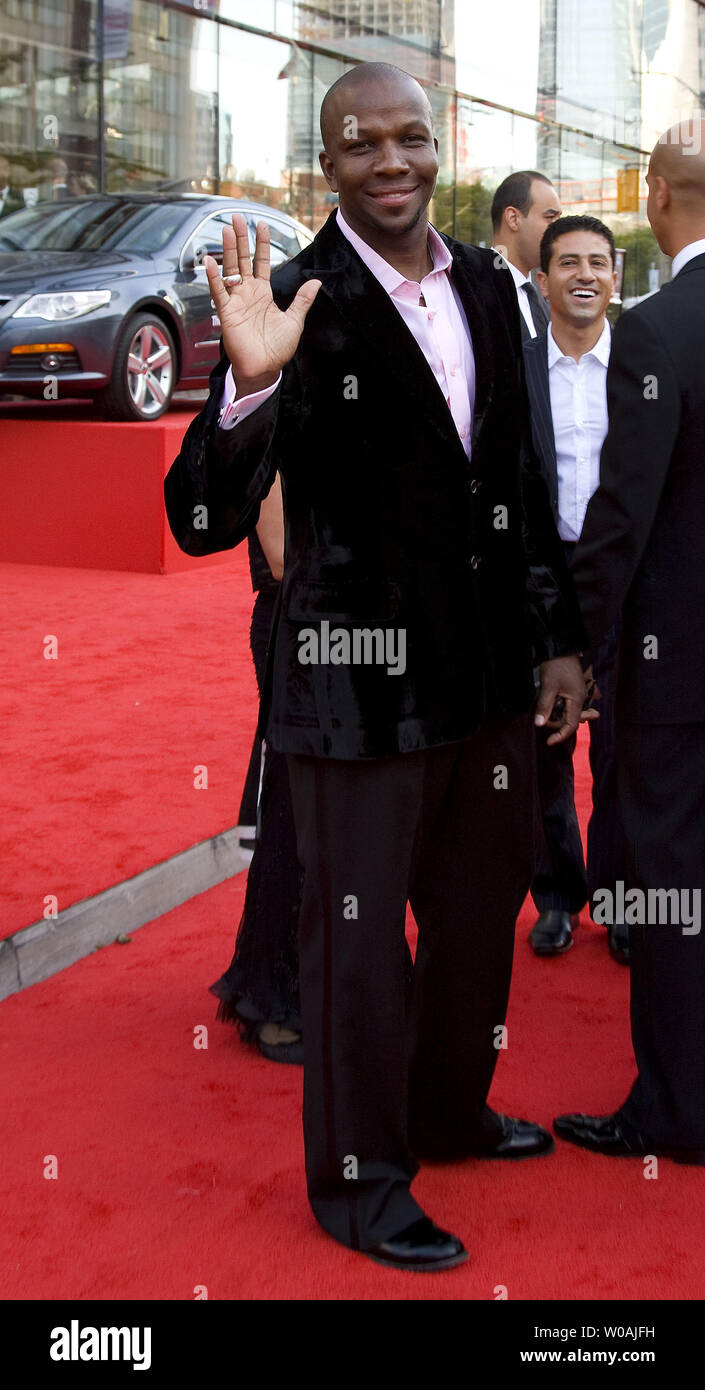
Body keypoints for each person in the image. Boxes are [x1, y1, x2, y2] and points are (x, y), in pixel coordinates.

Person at [165, 62, 587, 1271]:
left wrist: (554, 637)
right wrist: (248, 389)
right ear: (327, 163)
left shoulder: (486, 287)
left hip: (489, 686)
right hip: (353, 694)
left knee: (472, 928)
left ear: (437, 145)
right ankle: (359, 1187)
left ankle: (449, 1112)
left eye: (410, 138)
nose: (391, 161)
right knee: (354, 949)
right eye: (364, 145)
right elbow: (199, 515)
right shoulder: (293, 298)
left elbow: (521, 484)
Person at [555, 118, 705, 1163]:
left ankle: (677, 1110)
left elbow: (624, 512)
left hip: (677, 674)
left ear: (656, 197)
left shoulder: (657, 328)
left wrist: (569, 639)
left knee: (671, 886)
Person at [524, 214, 629, 963]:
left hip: (630, 584)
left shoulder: (643, 366)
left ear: (614, 277)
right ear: (542, 279)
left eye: (597, 262)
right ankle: (556, 897)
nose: (583, 274)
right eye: (567, 263)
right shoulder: (515, 366)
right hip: (540, 582)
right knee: (543, 749)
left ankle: (624, 900)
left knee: (625, 752)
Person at [210, 477, 304, 1064]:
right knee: (292, 823)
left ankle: (335, 982)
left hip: (344, 630)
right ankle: (273, 1001)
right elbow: (279, 550)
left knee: (330, 824)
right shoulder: (276, 404)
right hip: (293, 628)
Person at [490, 170, 561, 339]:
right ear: (513, 218)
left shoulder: (539, 297)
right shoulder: (475, 291)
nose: (558, 230)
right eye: (550, 218)